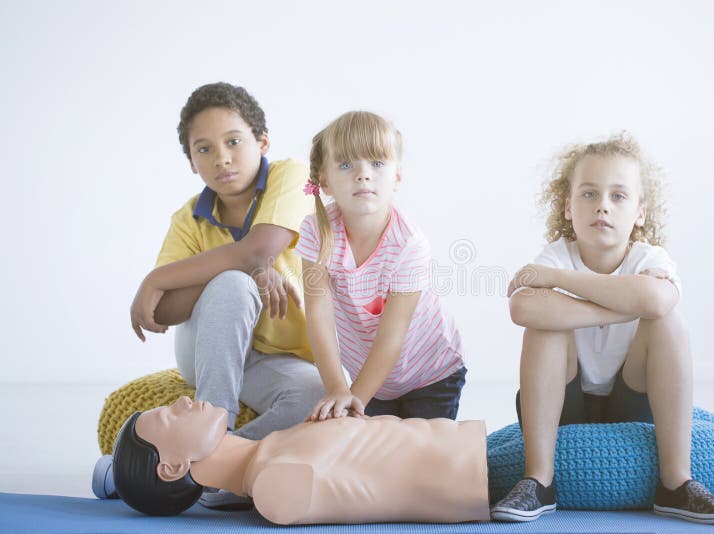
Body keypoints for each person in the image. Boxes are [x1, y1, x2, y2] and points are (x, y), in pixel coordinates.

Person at [94, 82, 324, 507]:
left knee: (315, 395)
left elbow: (262, 247)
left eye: (234, 141)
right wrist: (238, 272)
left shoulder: (292, 176)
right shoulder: (187, 219)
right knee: (234, 282)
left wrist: (158, 277)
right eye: (203, 149)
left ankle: (211, 472)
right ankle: (215, 416)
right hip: (207, 348)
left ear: (262, 141)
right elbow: (165, 310)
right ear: (191, 162)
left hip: (280, 358)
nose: (221, 157)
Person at [492, 133, 714, 525]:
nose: (602, 206)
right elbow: (522, 307)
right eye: (589, 194)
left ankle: (675, 482)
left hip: (632, 400)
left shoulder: (648, 258)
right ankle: (539, 480)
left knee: (668, 321)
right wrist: (618, 307)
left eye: (618, 196)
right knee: (542, 325)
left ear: (640, 212)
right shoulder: (559, 253)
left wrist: (557, 281)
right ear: (568, 207)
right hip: (566, 405)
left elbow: (657, 302)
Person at [296, 111, 467, 421]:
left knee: (420, 461)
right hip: (371, 378)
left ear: (397, 177)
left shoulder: (408, 244)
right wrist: (338, 390)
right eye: (346, 165)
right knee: (372, 461)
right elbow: (319, 317)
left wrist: (353, 401)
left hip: (431, 373)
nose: (363, 174)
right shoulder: (316, 232)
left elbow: (392, 336)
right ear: (325, 180)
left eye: (376, 163)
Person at [113, 396, 489, 525]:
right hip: (490, 476)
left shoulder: (273, 449)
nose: (181, 402)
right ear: (174, 467)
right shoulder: (272, 488)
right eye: (168, 416)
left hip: (481, 445)